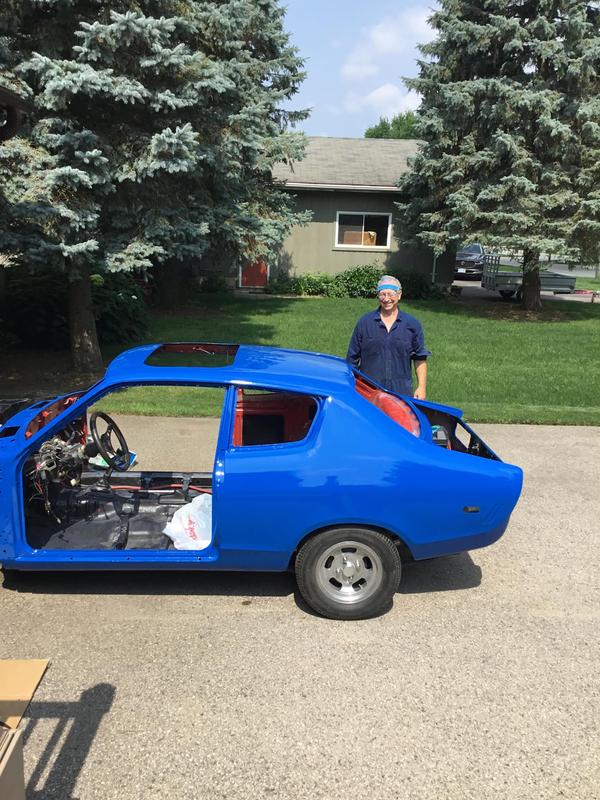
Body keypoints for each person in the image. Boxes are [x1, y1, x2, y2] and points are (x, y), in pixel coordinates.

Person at [346, 275, 430, 398]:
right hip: (369, 393)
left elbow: (420, 358)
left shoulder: (412, 324)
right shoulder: (365, 323)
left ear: (399, 295)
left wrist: (421, 387)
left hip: (401, 394)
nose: (386, 299)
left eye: (391, 294)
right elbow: (351, 360)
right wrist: (351, 387)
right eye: (382, 294)